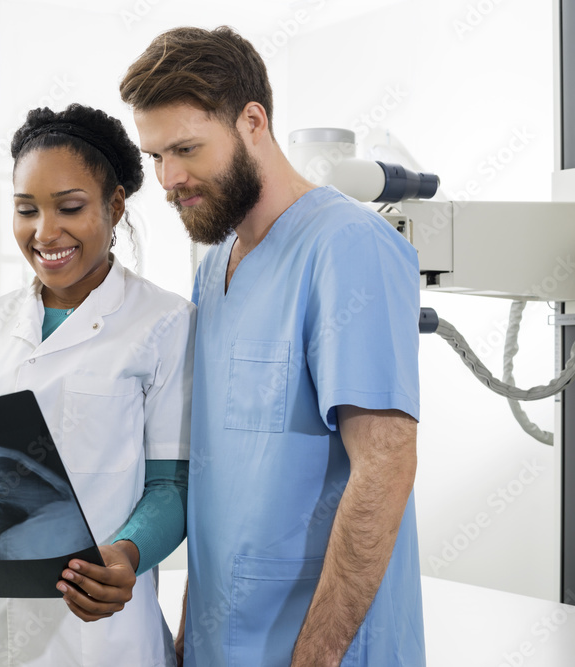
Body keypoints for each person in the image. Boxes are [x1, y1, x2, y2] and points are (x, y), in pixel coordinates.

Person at [120, 26, 425, 667]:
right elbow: (222, 482)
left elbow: (385, 466)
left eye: (185, 149)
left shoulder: (346, 248)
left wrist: (315, 656)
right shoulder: (214, 264)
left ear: (252, 121)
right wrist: (189, 632)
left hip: (319, 649)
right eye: (155, 157)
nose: (169, 178)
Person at [0, 103, 196, 667]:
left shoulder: (163, 323)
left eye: (69, 207)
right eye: (26, 210)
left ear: (115, 205)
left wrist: (126, 553)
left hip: (98, 637)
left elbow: (172, 485)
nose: (45, 233)